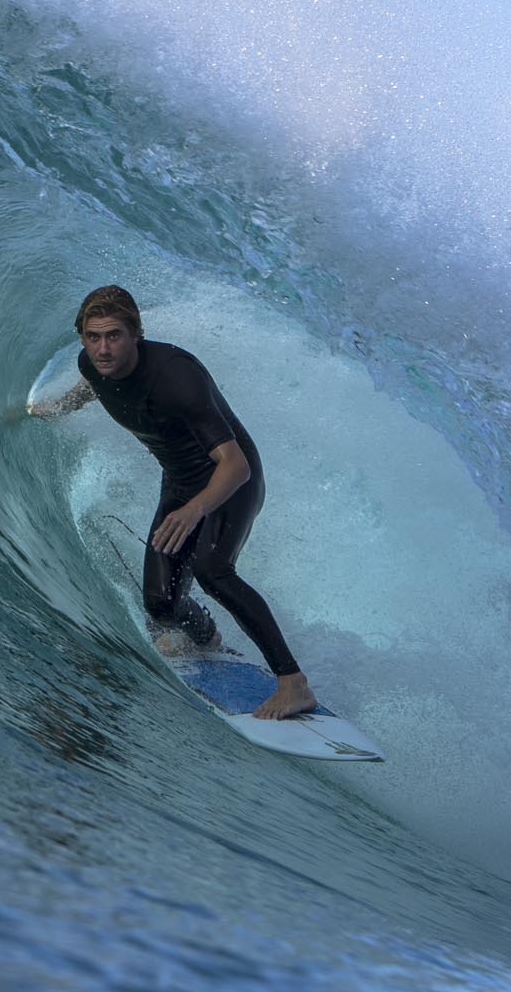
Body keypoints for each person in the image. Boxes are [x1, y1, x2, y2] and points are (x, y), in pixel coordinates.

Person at [28, 285, 320, 720]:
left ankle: (293, 683)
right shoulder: (91, 364)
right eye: (93, 336)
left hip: (231, 481)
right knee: (161, 603)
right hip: (181, 483)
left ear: (136, 335)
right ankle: (206, 639)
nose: (103, 348)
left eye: (114, 336)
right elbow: (93, 386)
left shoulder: (175, 377)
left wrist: (194, 509)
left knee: (212, 571)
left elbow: (234, 465)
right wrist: (57, 407)